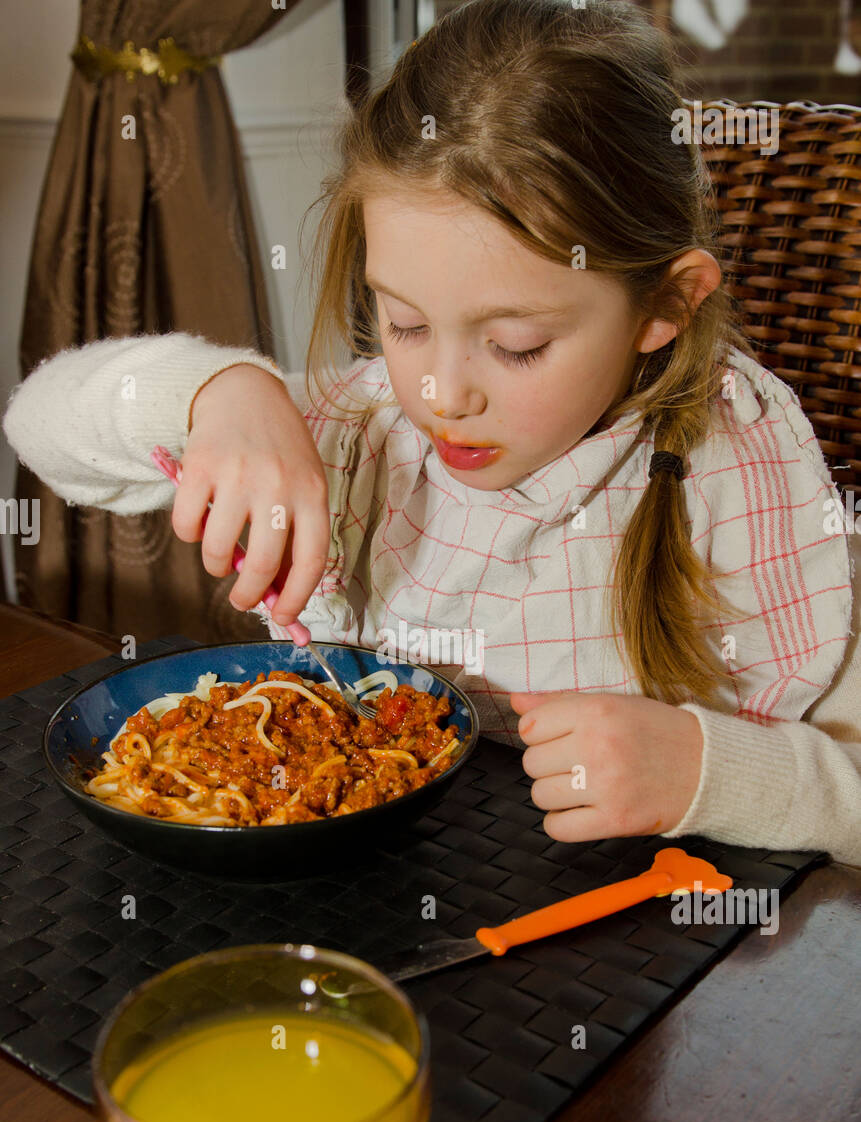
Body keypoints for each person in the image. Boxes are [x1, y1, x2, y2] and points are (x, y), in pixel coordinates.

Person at [4, 0, 859, 865]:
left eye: (515, 345)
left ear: (666, 303)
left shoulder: (742, 479)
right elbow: (37, 420)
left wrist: (719, 774)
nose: (439, 393)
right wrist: (217, 393)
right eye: (405, 324)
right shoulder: (363, 427)